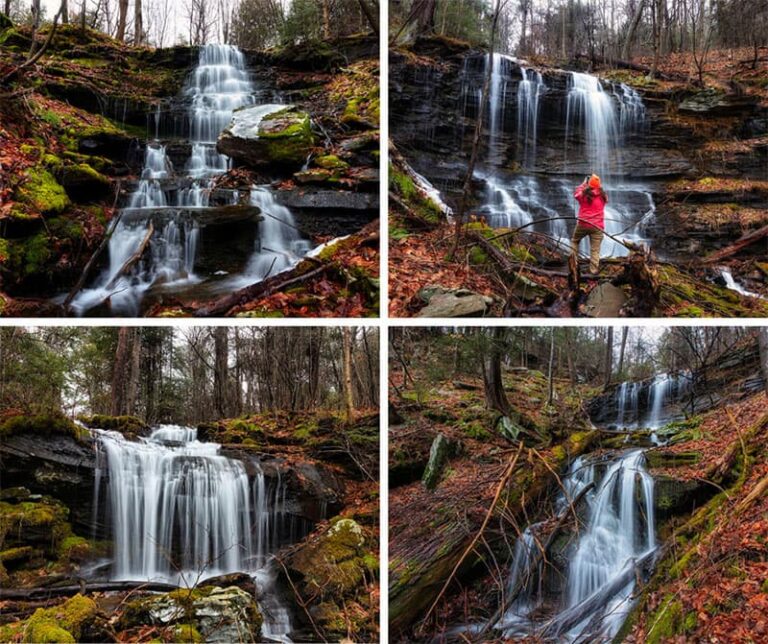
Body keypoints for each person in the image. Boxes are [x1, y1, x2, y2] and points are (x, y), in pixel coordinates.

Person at [571, 174, 607, 274]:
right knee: (595, 250)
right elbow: (601, 194)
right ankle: (593, 271)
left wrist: (583, 185)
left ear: (588, 184)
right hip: (597, 226)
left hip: (583, 223)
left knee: (574, 241)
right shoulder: (603, 196)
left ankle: (573, 264)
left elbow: (576, 194)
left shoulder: (583, 195)